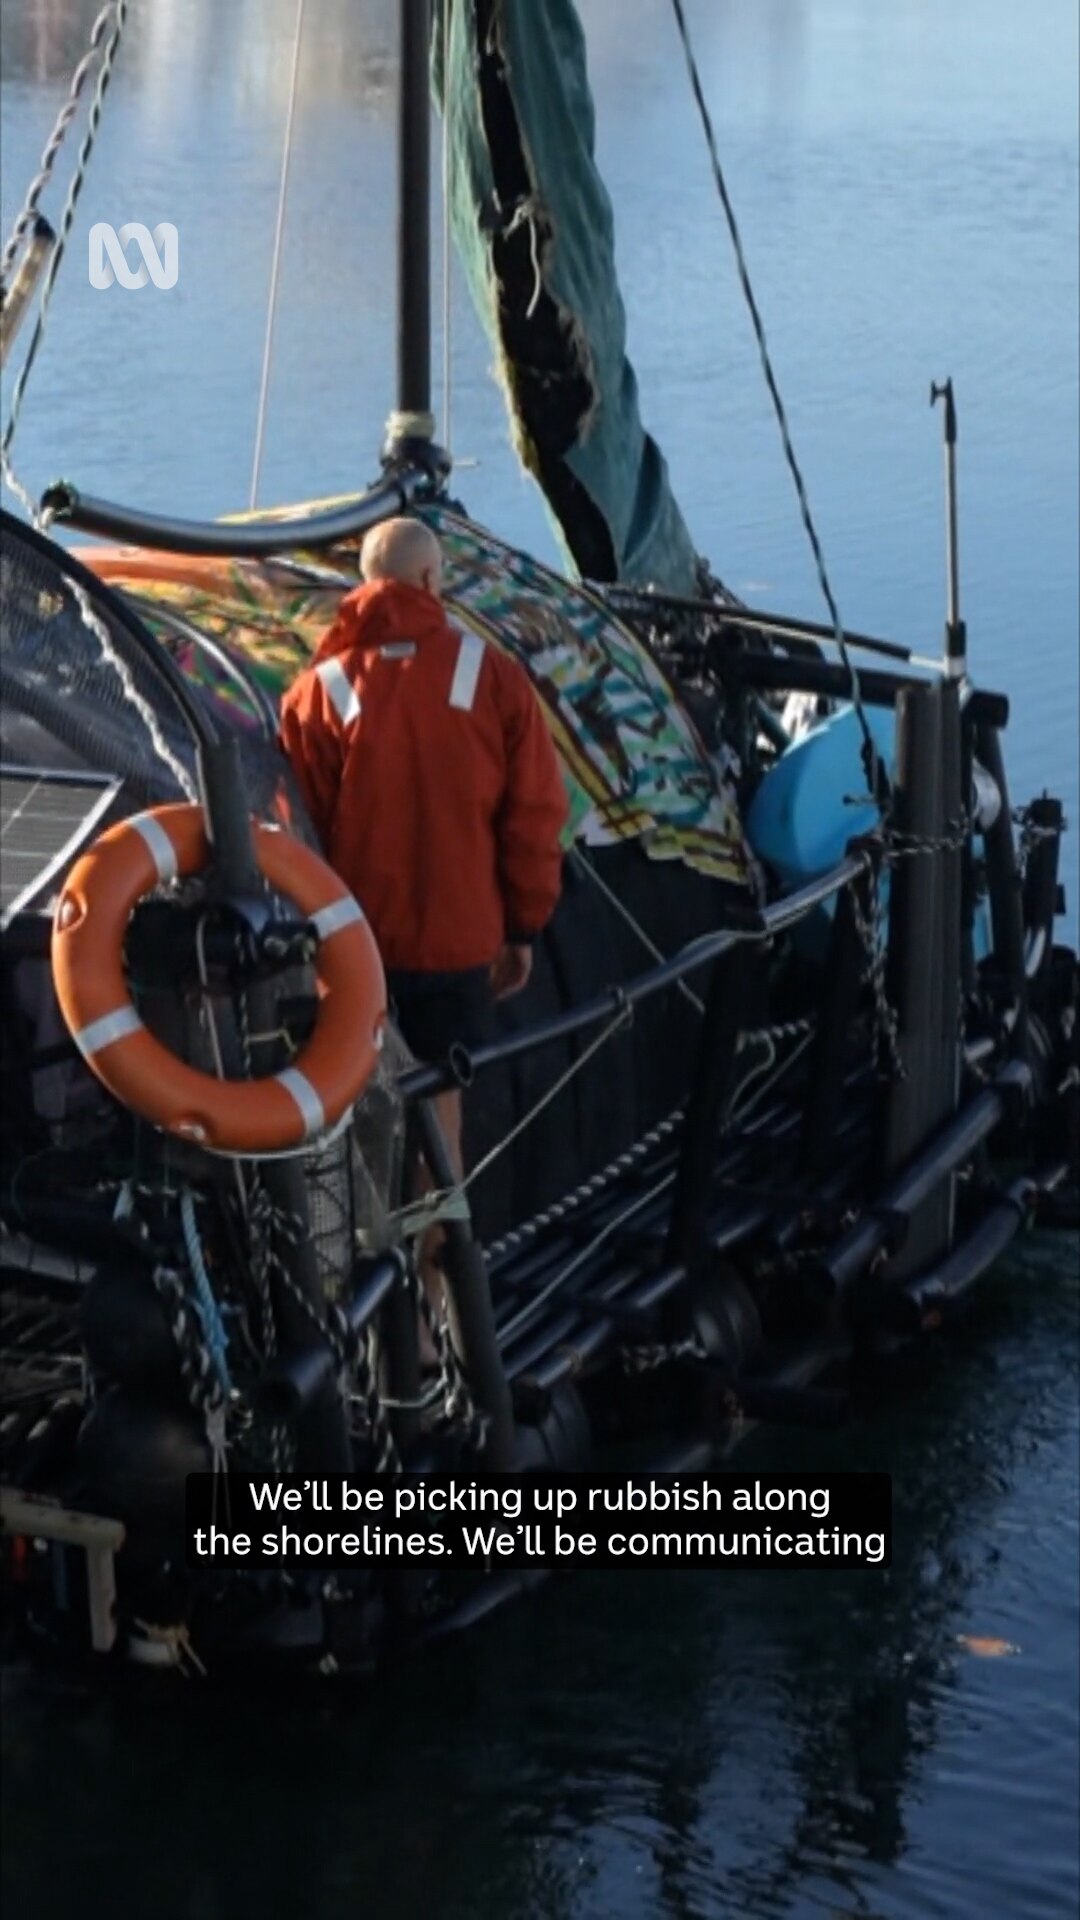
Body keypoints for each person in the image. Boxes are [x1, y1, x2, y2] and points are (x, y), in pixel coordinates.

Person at [279, 517, 568, 1319]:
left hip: (356, 958)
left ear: (363, 588)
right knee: (440, 1122)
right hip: (457, 948)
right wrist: (523, 926)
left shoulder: (318, 692)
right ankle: (434, 1302)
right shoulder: (494, 677)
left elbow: (295, 832)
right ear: (435, 583)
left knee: (355, 1113)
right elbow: (536, 816)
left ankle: (352, 1302)